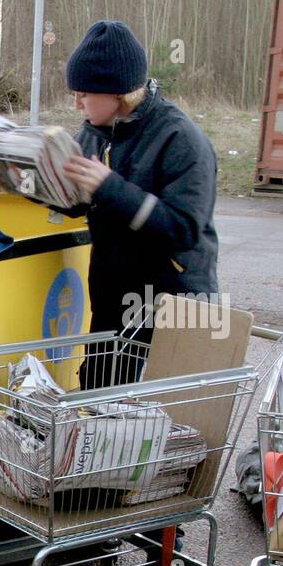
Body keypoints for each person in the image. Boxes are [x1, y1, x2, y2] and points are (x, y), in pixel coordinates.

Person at [58, 19, 220, 389]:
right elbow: (77, 201)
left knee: (162, 416)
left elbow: (182, 227)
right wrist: (25, 181)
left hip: (170, 298)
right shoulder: (94, 132)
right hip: (113, 295)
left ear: (117, 93)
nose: (77, 102)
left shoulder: (181, 139)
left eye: (84, 92)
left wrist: (109, 186)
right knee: (99, 399)